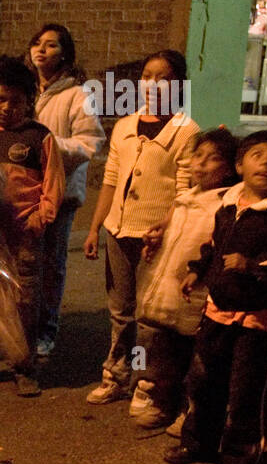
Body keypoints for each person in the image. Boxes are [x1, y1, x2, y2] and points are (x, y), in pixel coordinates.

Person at [164, 130, 267, 464]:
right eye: (256, 155)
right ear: (239, 165)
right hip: (216, 313)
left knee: (246, 395)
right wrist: (198, 273)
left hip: (255, 321)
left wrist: (253, 265)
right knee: (202, 382)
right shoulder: (229, 205)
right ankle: (198, 443)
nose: (265, 162)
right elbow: (214, 246)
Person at [81, 50, 200, 405]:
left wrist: (163, 228)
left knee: (150, 315)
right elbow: (111, 181)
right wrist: (95, 227)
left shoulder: (186, 131)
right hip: (118, 232)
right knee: (120, 310)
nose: (152, 84)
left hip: (156, 237)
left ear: (178, 85)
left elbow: (184, 193)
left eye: (162, 78)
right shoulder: (124, 126)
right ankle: (115, 375)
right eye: (147, 76)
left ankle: (146, 382)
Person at [131, 128, 239, 429]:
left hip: (199, 294)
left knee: (198, 359)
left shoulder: (227, 204)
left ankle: (192, 415)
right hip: (168, 290)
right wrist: (158, 234)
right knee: (165, 351)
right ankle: (162, 401)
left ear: (231, 168)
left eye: (213, 159)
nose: (201, 164)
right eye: (197, 156)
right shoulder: (185, 198)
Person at [0, 59, 65, 396]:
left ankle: (23, 368)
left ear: (28, 101)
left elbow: (53, 186)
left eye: (16, 101)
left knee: (23, 301)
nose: (7, 107)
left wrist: (38, 220)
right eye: (1, 99)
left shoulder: (39, 138)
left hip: (24, 234)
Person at [27, 23, 105, 357]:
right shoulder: (25, 89)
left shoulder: (78, 94)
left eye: (51, 45)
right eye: (37, 43)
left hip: (61, 194)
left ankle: (46, 331)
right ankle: (21, 327)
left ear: (65, 54)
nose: (41, 50)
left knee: (51, 264)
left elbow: (91, 142)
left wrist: (47, 147)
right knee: (23, 262)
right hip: (25, 192)